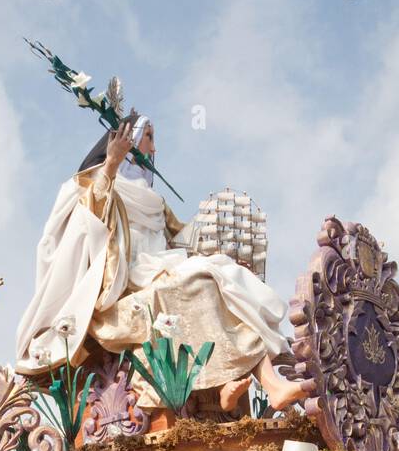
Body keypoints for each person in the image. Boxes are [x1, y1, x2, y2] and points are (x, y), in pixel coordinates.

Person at [16, 119, 306, 413]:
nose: (153, 148)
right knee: (198, 284)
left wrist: (217, 226)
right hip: (121, 295)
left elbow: (178, 241)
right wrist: (112, 164)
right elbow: (91, 223)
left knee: (224, 276)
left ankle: (255, 385)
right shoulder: (94, 184)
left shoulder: (154, 200)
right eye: (149, 137)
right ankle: (239, 386)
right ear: (129, 139)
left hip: (161, 272)